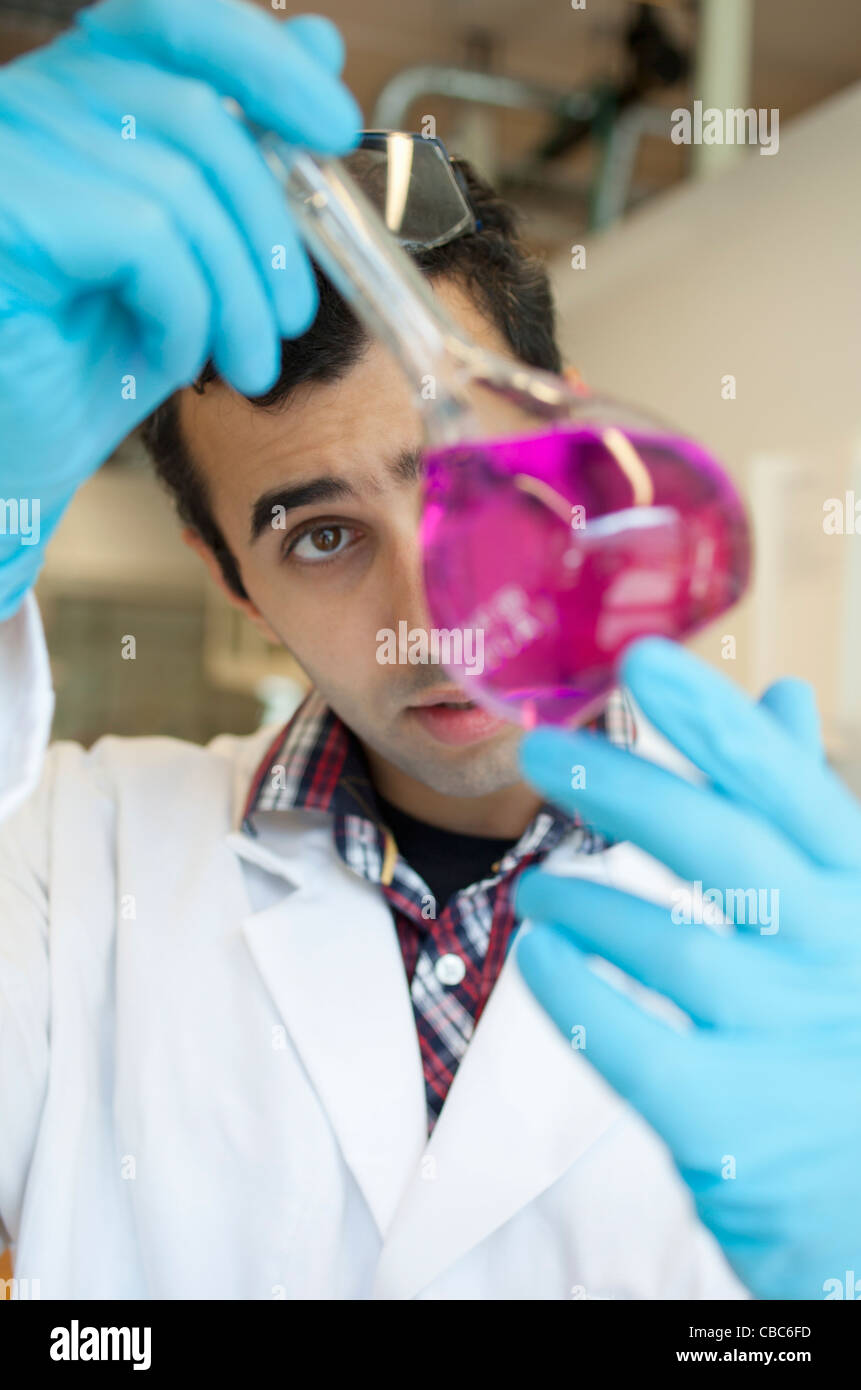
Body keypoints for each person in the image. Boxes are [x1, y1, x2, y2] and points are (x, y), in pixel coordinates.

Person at [0, 0, 858, 1301]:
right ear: (231, 580)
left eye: (467, 478)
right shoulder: (69, 868)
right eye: (323, 536)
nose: (439, 606)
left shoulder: (819, 921)